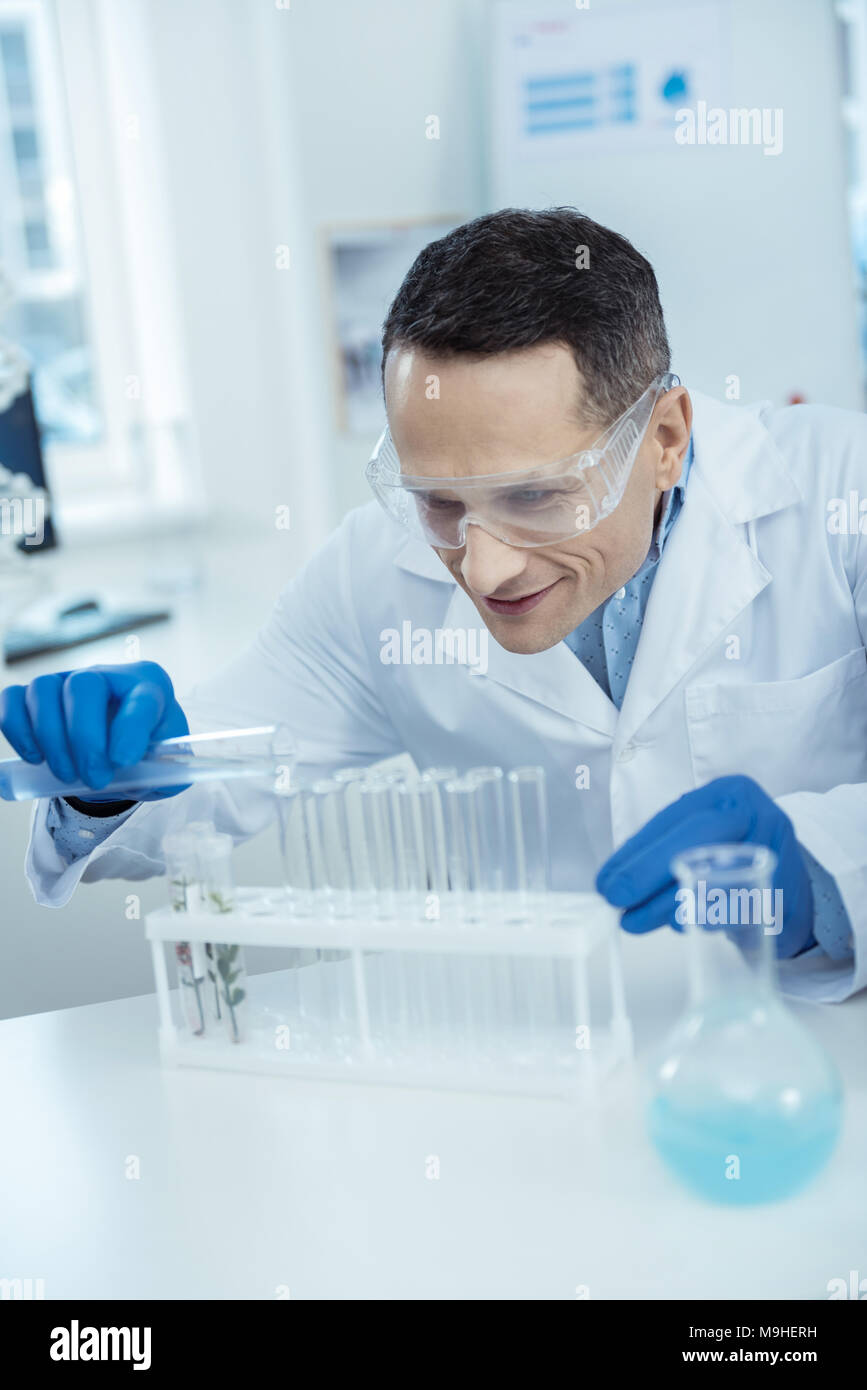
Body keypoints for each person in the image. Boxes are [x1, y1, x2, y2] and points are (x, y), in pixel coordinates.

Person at [2, 208, 865, 1001]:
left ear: (666, 439)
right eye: (440, 503)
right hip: (539, 1054)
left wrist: (817, 871)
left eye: (534, 497)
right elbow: (209, 779)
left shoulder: (839, 492)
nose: (483, 568)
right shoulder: (371, 576)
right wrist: (110, 778)